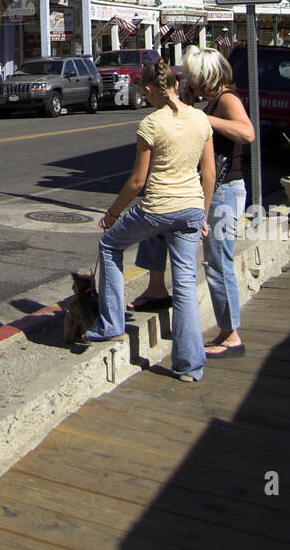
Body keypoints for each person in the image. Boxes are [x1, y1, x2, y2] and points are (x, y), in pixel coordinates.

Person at [82, 57, 216, 382]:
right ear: (176, 84)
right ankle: (189, 367)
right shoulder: (200, 119)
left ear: (148, 90)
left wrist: (112, 214)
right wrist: (204, 216)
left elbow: (137, 182)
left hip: (157, 208)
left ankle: (111, 322)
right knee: (184, 284)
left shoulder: (151, 124)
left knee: (110, 244)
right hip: (191, 210)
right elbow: (209, 173)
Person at [133, 46, 254, 357]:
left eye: (191, 76)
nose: (187, 79)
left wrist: (204, 119)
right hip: (206, 189)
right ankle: (157, 289)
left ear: (206, 77)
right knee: (157, 226)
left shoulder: (226, 99)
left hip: (226, 190)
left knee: (217, 262)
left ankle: (231, 335)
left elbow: (246, 132)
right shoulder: (208, 102)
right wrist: (188, 104)